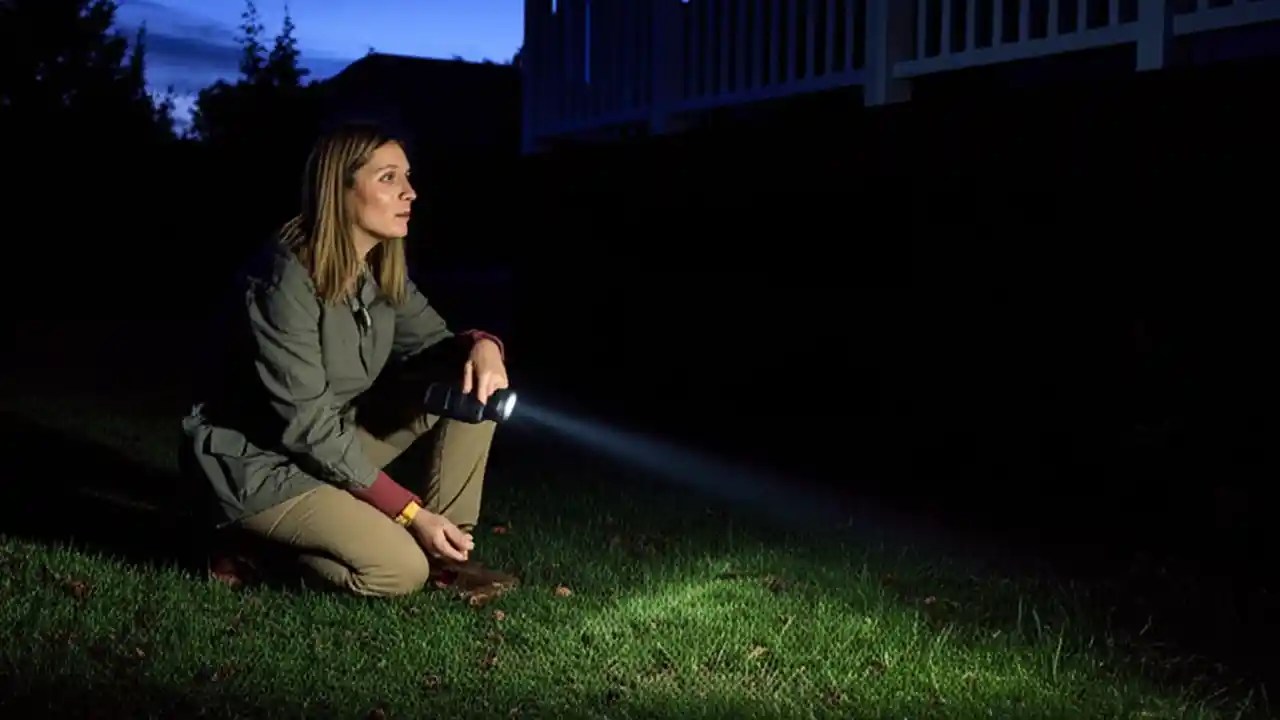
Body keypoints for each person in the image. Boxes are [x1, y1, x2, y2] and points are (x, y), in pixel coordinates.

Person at [179, 121, 518, 599]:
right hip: (258, 465)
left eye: (407, 176)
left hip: (323, 446)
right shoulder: (283, 280)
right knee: (399, 571)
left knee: (471, 386)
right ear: (338, 188)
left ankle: (449, 559)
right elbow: (307, 428)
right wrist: (409, 512)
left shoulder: (375, 269)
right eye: (388, 178)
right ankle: (253, 549)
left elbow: (439, 348)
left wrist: (484, 345)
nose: (410, 192)